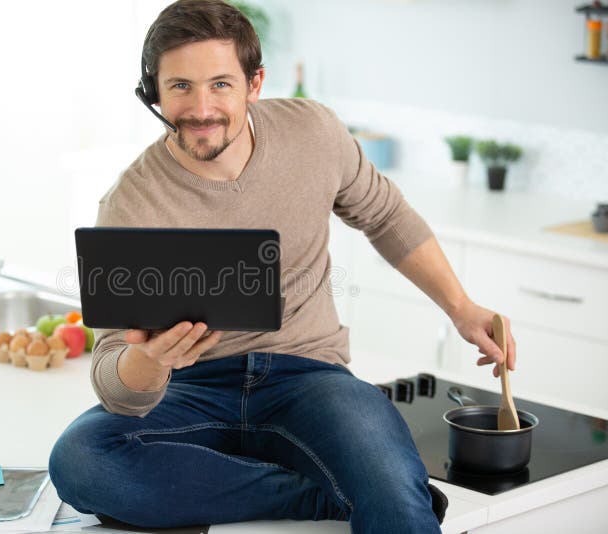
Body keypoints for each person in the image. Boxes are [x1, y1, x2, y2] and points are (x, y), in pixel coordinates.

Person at [49, 1, 516, 532]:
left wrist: (461, 307)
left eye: (221, 84)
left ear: (255, 83)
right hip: (188, 389)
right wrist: (152, 362)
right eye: (180, 87)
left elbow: (386, 216)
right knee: (81, 461)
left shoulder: (313, 133)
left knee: (392, 486)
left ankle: (367, 489)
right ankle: (318, 496)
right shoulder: (129, 204)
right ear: (153, 90)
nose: (202, 108)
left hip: (311, 377)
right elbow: (114, 376)